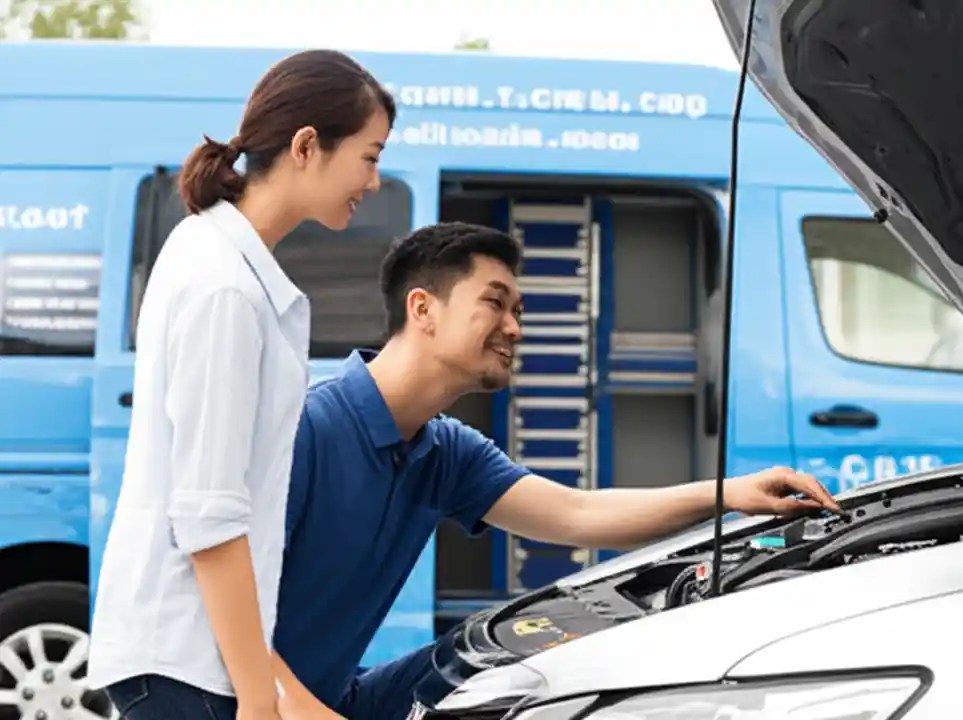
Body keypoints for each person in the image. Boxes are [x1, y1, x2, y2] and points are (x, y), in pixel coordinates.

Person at [269, 222, 843, 720]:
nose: (515, 328)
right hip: (243, 703)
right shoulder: (307, 429)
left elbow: (577, 512)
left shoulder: (444, 452)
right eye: (494, 303)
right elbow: (213, 616)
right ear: (423, 309)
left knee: (511, 658)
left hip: (333, 700)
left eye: (518, 311)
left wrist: (730, 493)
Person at [87, 49, 395, 720]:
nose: (373, 181)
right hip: (186, 662)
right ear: (308, 146)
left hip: (188, 657)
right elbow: (209, 512)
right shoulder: (225, 286)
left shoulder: (219, 259)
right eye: (369, 157)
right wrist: (261, 695)